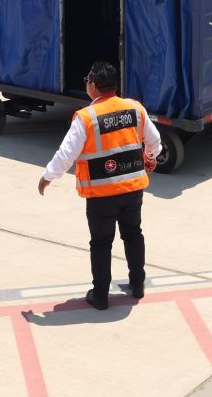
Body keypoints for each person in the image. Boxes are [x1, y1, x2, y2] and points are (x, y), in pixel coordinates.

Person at [37, 62, 161, 310]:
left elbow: (66, 153)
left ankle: (101, 295)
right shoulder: (135, 109)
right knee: (133, 234)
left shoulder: (86, 117)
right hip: (132, 189)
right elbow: (154, 140)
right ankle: (138, 284)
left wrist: (48, 176)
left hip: (101, 194)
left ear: (92, 86)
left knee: (102, 243)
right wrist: (149, 158)